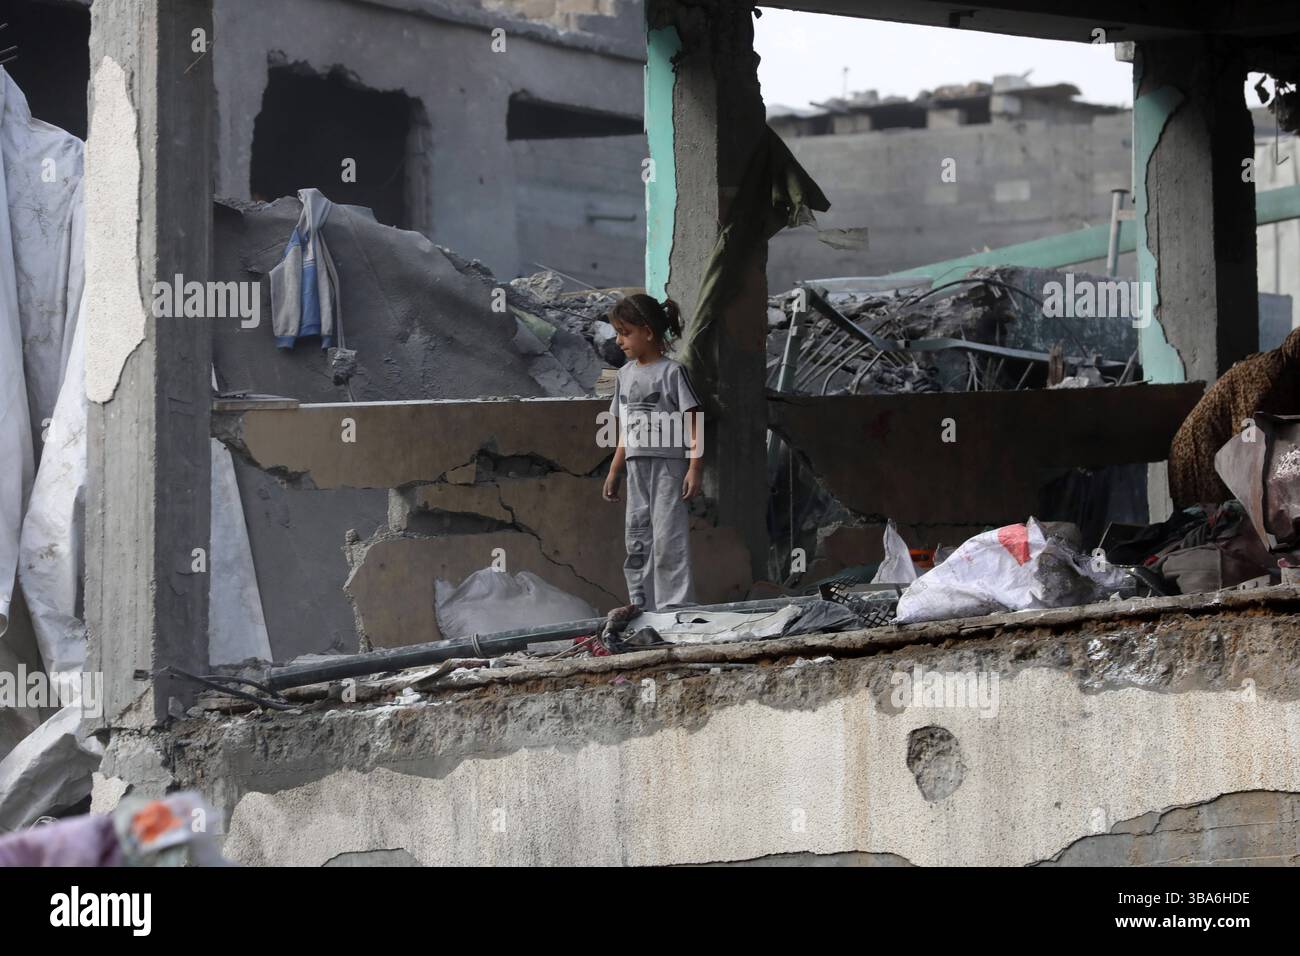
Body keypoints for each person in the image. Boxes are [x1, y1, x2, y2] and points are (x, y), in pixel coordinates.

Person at [602, 293, 703, 610]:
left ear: (647, 331)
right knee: (638, 537)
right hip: (635, 469)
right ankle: (640, 607)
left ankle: (675, 609)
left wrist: (694, 467)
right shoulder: (624, 375)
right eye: (617, 333)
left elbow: (694, 419)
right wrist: (615, 470)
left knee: (668, 539)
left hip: (668, 467)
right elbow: (626, 430)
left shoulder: (672, 372)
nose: (619, 341)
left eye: (625, 332)